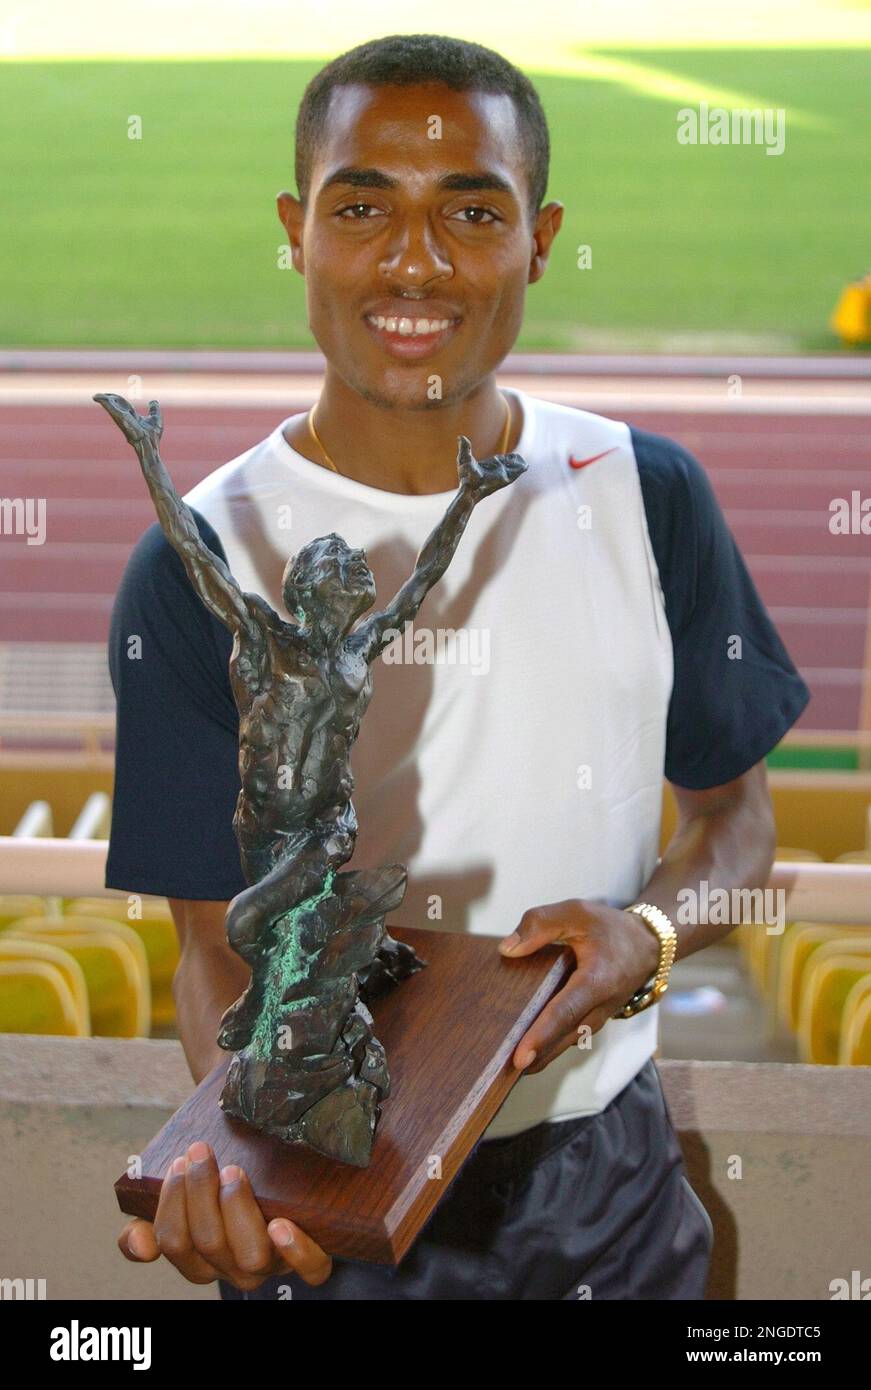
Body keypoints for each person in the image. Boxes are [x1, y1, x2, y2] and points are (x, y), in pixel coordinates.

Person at [104, 33, 810, 1300]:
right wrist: (239, 1158)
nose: (414, 260)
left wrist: (643, 933)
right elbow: (214, 945)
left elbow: (737, 823)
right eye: (362, 205)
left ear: (539, 239)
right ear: (296, 228)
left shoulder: (649, 496)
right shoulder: (195, 557)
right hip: (335, 1204)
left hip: (614, 1191)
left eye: (469, 211)